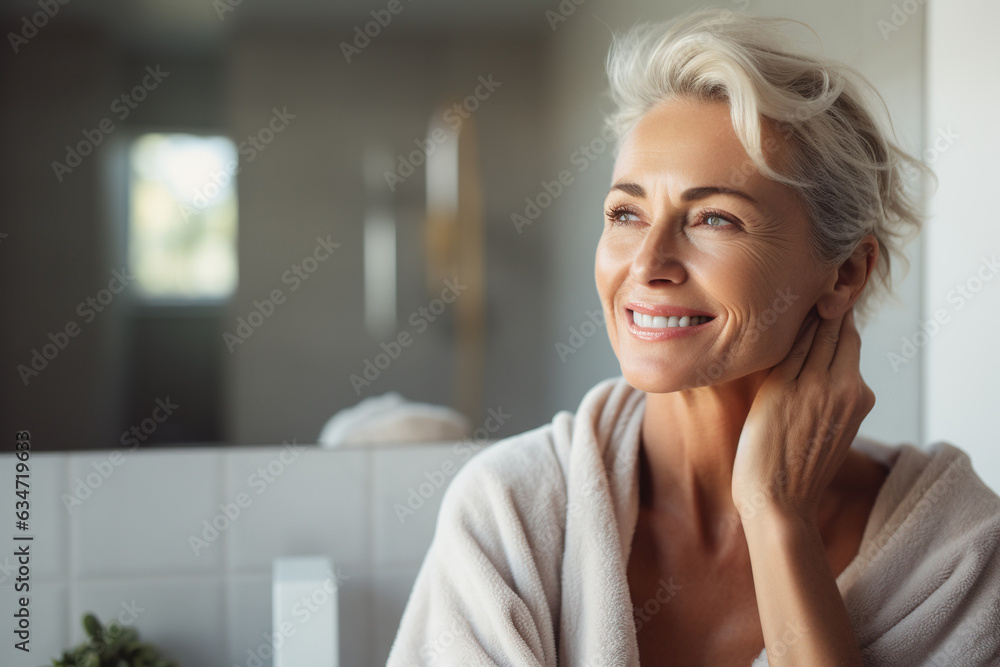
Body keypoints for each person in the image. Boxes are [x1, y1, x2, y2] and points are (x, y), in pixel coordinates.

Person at [385, 8, 1000, 666]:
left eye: (713, 218)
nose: (647, 264)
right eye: (627, 213)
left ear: (846, 272)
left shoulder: (953, 551)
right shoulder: (509, 515)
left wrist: (776, 515)